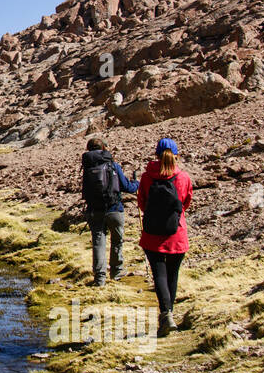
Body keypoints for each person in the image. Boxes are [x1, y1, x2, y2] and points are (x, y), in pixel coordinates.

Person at [137, 137, 194, 337]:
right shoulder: (183, 177)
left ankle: (165, 314)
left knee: (159, 274)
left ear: (156, 155)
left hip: (152, 234)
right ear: (176, 155)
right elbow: (186, 202)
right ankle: (170, 313)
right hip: (177, 233)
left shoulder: (146, 177)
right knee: (172, 274)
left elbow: (142, 203)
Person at [80, 138, 138, 286]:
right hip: (114, 209)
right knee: (117, 240)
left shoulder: (87, 167)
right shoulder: (113, 165)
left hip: (94, 211)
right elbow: (127, 187)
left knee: (98, 243)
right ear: (104, 148)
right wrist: (136, 183)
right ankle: (116, 272)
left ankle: (100, 278)